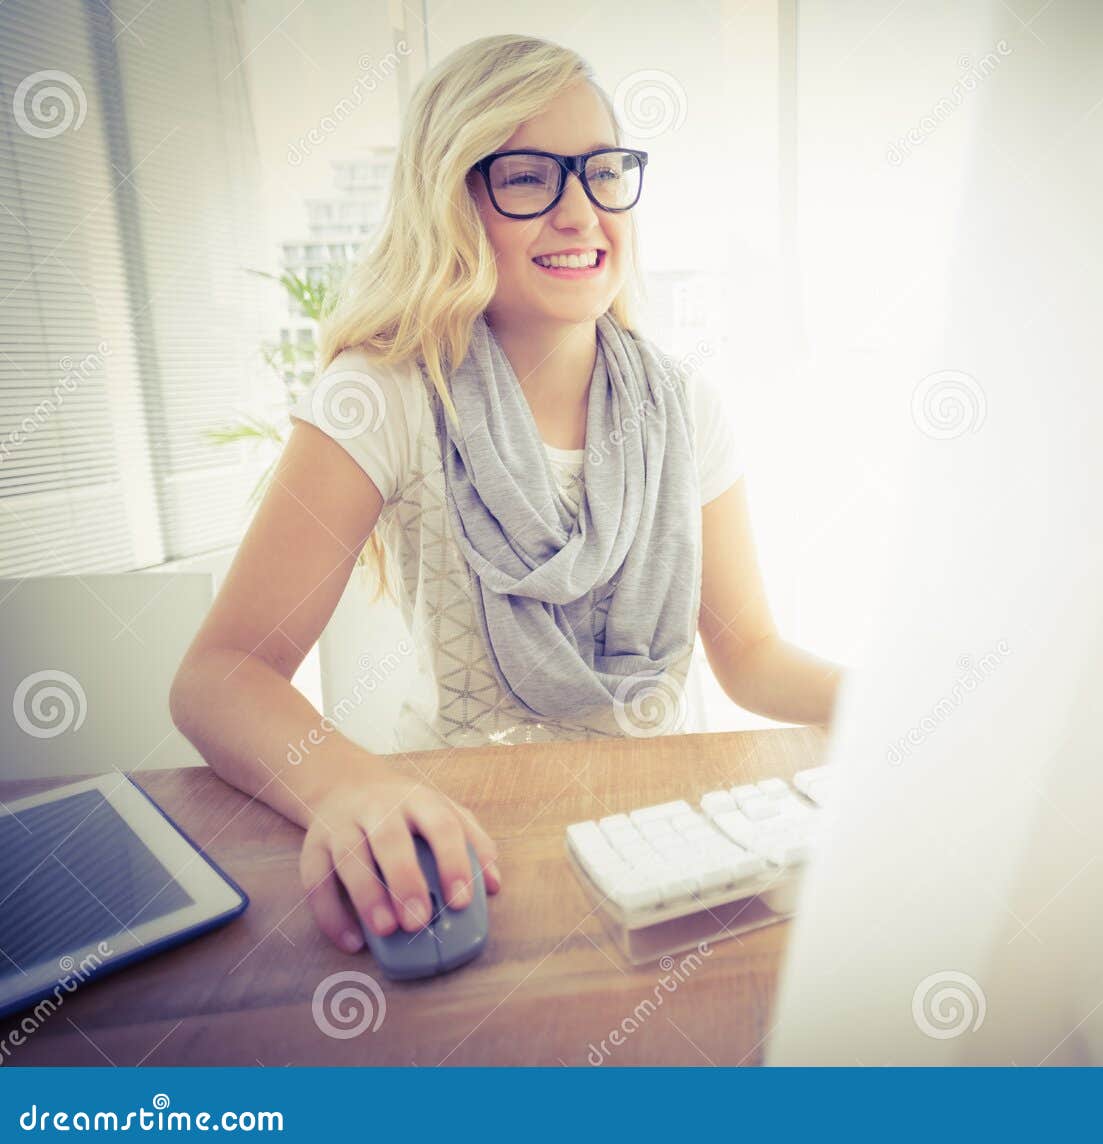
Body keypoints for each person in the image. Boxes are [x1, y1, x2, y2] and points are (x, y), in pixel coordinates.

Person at [170, 34, 841, 954]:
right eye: (528, 178)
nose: (579, 212)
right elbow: (220, 676)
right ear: (453, 201)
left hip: (668, 842)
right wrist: (349, 787)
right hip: (471, 845)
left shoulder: (687, 406)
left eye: (602, 172)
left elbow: (751, 655)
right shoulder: (385, 396)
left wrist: (893, 702)